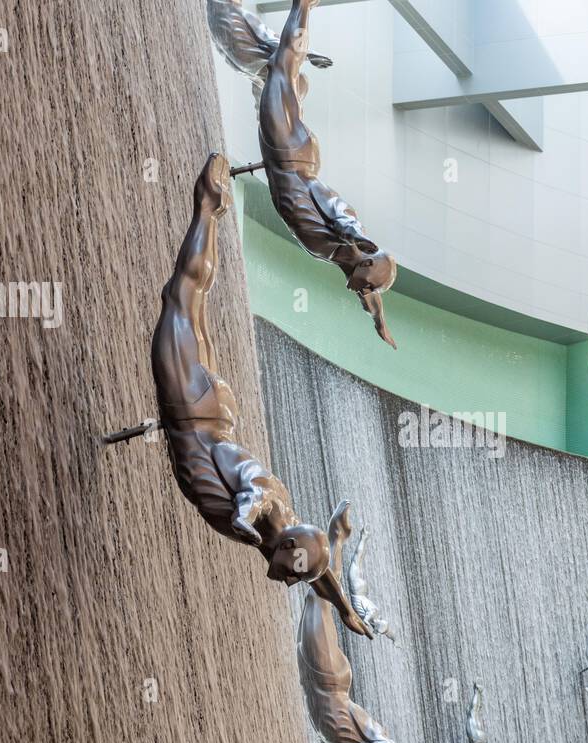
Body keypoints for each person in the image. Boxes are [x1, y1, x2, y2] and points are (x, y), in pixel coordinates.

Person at [150, 153, 367, 636]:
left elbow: (322, 571)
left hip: (209, 412)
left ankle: (210, 210)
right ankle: (208, 207)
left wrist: (346, 609)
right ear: (290, 546)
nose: (291, 582)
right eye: (295, 572)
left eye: (296, 574)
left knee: (193, 303)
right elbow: (256, 484)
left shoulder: (288, 533)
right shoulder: (269, 508)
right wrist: (246, 511)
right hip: (190, 408)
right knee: (184, 298)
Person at [296, 502, 447, 743]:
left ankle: (335, 538)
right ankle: (336, 536)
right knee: (318, 596)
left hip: (315, 680)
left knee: (320, 596)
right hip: (327, 677)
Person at [258, 0, 399, 348]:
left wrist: (380, 320)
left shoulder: (346, 261)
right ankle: (303, 6)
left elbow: (369, 294)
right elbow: (324, 195)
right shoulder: (349, 231)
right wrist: (350, 228)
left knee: (288, 81)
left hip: (285, 161)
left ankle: (299, 67)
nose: (364, 292)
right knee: (282, 70)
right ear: (366, 259)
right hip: (290, 154)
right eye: (368, 284)